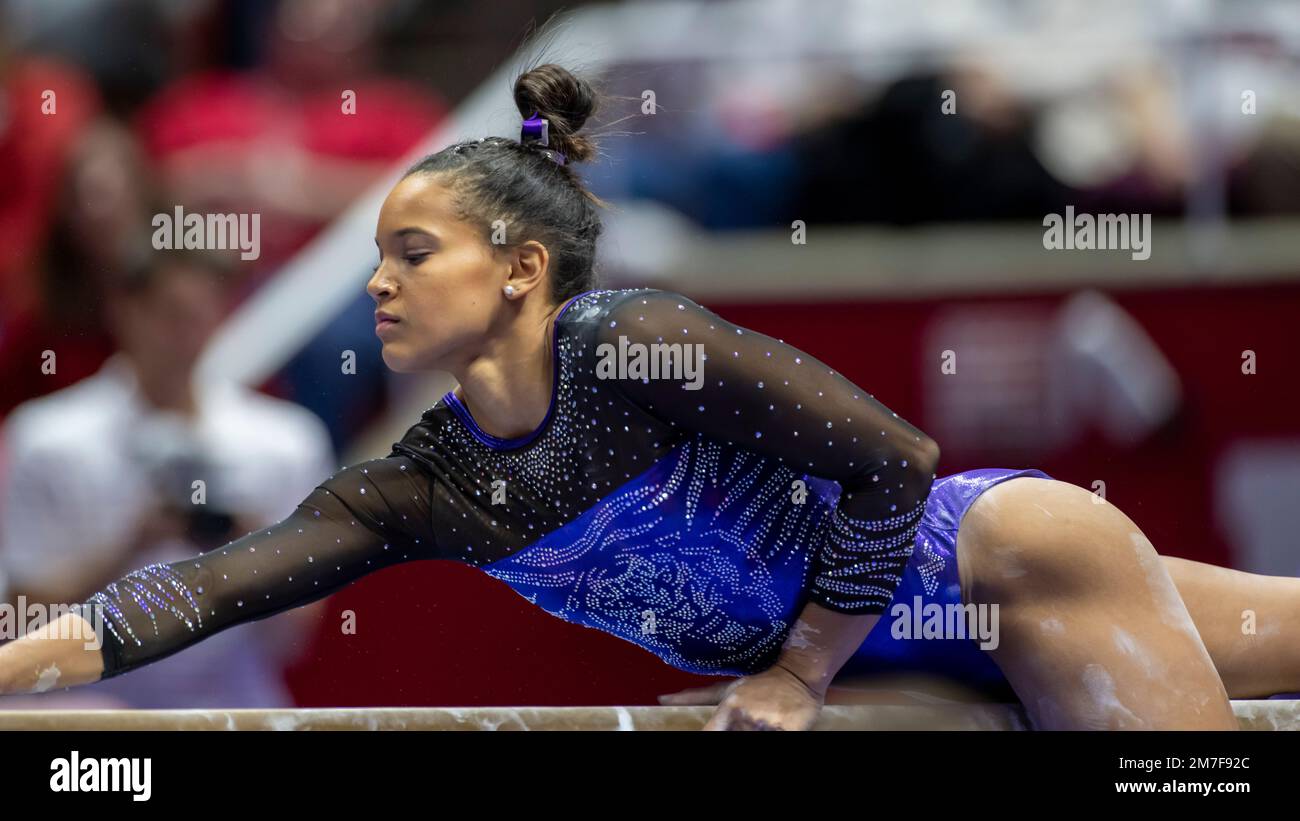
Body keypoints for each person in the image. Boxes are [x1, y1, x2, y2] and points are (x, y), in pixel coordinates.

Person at [1, 64, 1297, 731]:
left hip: (1004, 566)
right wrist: (20, 663)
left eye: (412, 255)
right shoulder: (427, 484)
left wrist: (796, 673)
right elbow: (204, 590)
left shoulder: (631, 345)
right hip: (900, 644)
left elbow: (895, 456)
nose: (378, 288)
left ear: (518, 271)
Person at [0, 248, 334, 708]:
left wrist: (249, 549)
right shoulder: (48, 439)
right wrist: (131, 544)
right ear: (125, 312)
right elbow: (21, 618)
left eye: (199, 316)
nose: (185, 337)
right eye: (170, 315)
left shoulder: (284, 442)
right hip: (85, 709)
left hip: (231, 705)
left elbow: (298, 631)